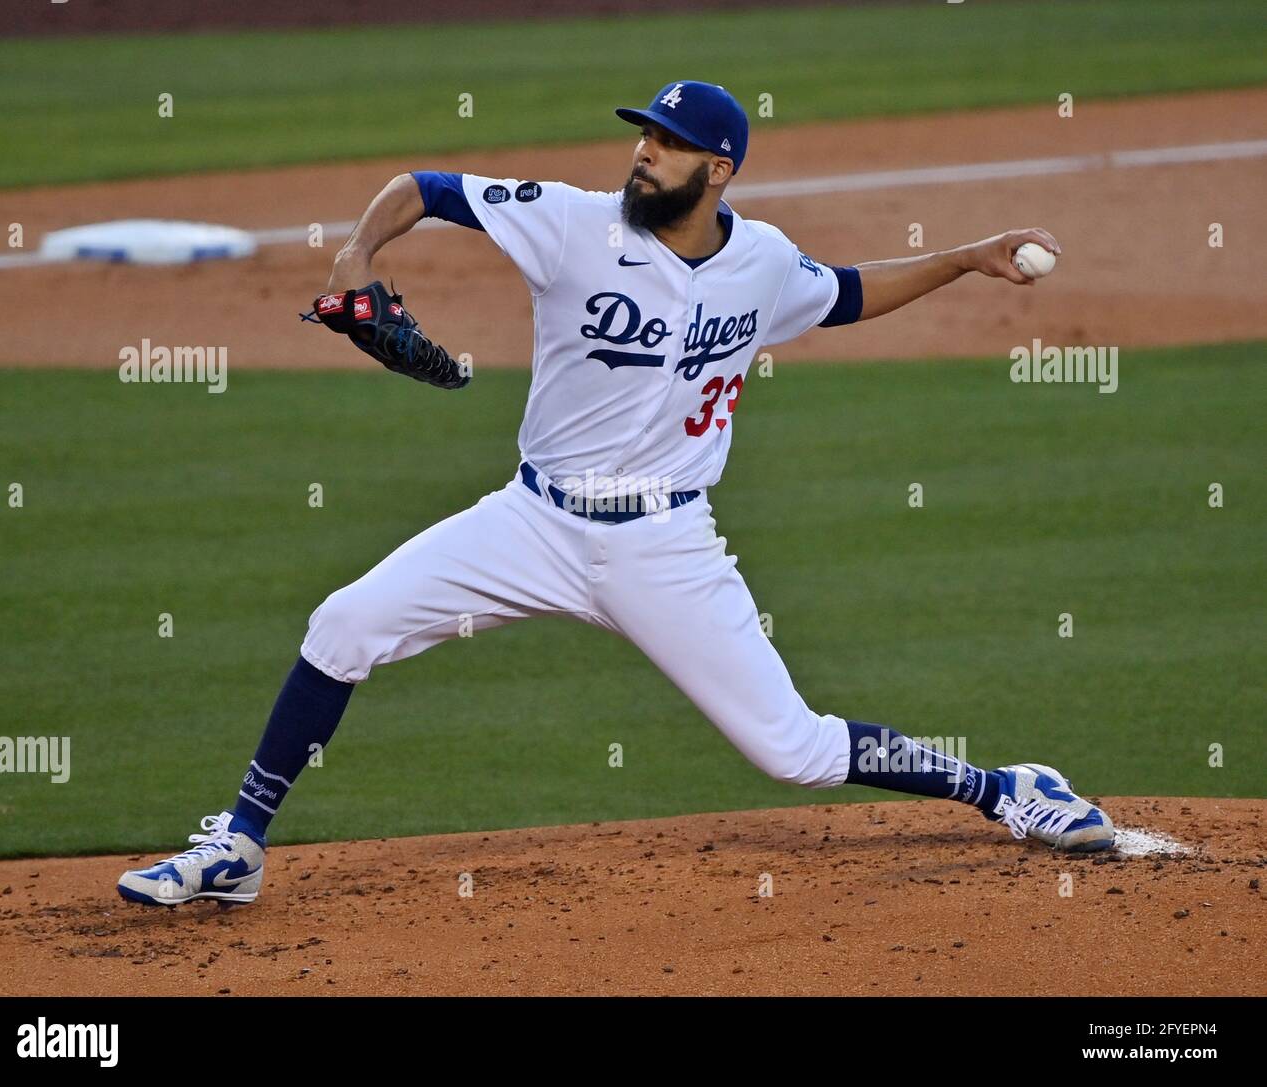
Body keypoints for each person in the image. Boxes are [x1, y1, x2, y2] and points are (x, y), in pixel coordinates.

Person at [117, 80, 1111, 909]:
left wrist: (963, 257)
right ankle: (238, 846)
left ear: (716, 169)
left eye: (669, 143)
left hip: (663, 549)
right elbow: (421, 186)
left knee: (792, 750)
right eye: (643, 134)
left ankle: (1007, 788)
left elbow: (844, 292)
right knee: (343, 623)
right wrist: (356, 256)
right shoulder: (571, 224)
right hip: (531, 521)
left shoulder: (760, 262)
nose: (644, 153)